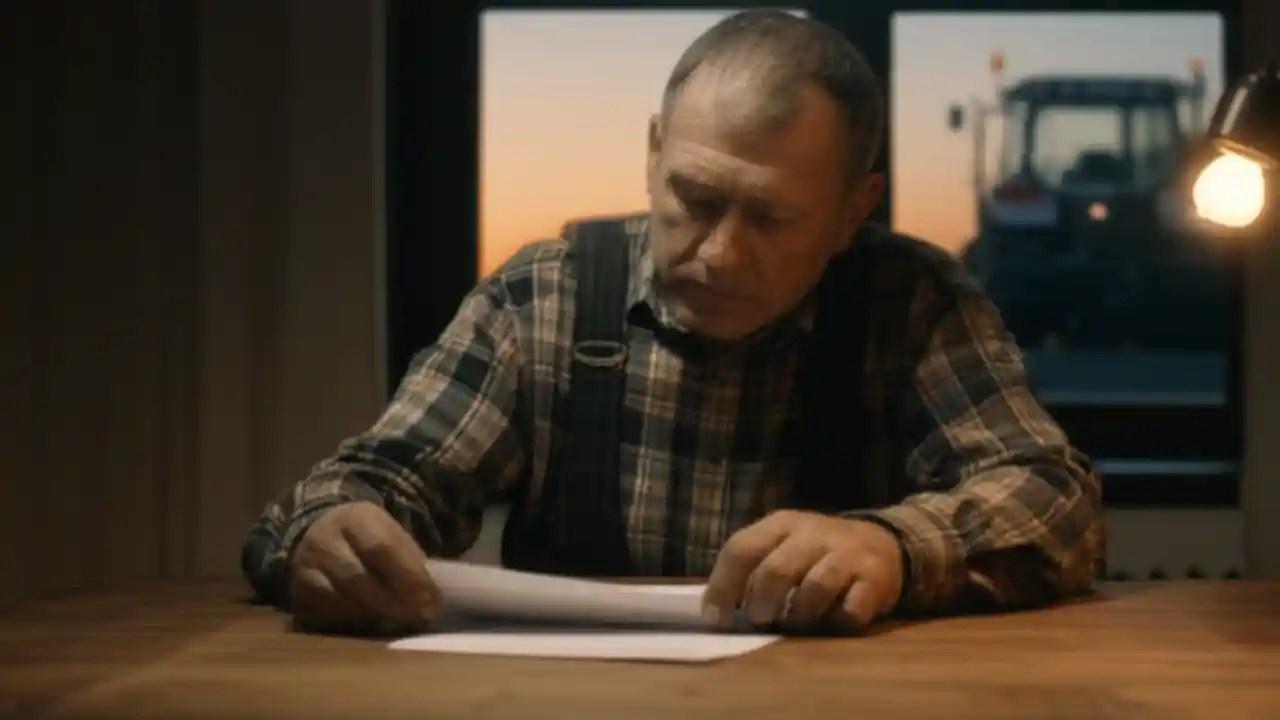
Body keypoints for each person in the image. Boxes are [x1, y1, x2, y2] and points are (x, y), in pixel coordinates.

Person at [241, 9, 1104, 636]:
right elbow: (364, 487)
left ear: (852, 211)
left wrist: (898, 548)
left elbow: (1055, 496)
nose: (720, 254)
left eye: (770, 219)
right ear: (654, 153)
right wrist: (326, 534)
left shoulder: (911, 305)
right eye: (694, 198)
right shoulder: (541, 300)